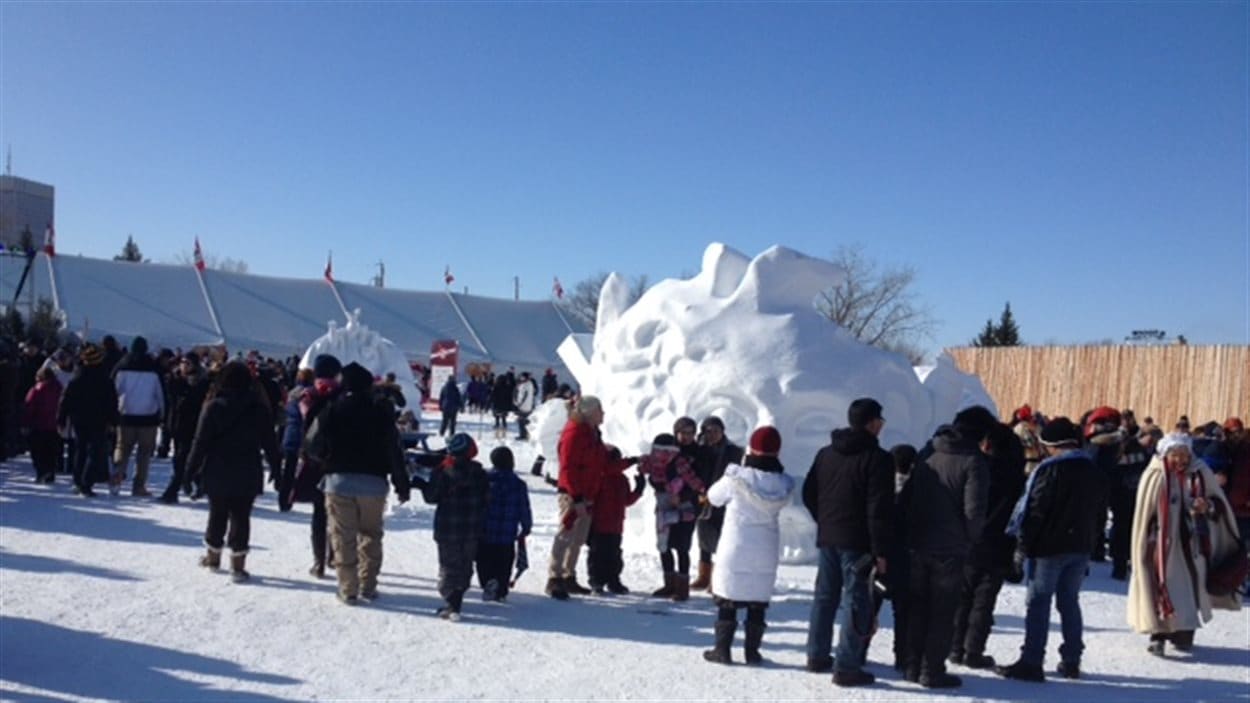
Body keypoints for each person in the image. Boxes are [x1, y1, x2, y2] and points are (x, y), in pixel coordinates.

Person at [997, 417, 1106, 682]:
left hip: (1048, 548)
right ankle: (1072, 660)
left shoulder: (1048, 470)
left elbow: (1035, 510)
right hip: (1079, 546)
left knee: (1038, 602)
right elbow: (1099, 511)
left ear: (1052, 445)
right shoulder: (1092, 469)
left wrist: (1023, 545)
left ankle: (1032, 661)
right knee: (1069, 602)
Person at [802, 398, 893, 687]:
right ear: (872, 423)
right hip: (858, 540)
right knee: (856, 600)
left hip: (829, 535)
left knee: (825, 597)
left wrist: (825, 519)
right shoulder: (877, 458)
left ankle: (816, 655)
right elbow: (879, 508)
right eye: (880, 421)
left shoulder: (826, 453)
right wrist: (881, 550)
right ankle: (847, 665)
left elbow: (808, 492)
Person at [304, 361, 410, 605]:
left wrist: (326, 459)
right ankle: (368, 584)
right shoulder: (381, 412)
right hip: (374, 483)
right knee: (371, 535)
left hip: (339, 482)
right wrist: (401, 483)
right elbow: (395, 451)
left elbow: (311, 444)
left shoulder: (331, 410)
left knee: (343, 536)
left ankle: (348, 588)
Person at [1128, 433, 1243, 655]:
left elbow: (1219, 504)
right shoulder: (1155, 475)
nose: (1180, 460)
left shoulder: (1200, 473)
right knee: (1160, 586)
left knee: (1190, 589)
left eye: (1184, 455)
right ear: (1165, 454)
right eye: (1175, 455)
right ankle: (1159, 634)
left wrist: (1206, 506)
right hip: (1162, 546)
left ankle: (1184, 633)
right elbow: (1144, 513)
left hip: (1193, 545)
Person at [902, 410, 991, 689]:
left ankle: (912, 665)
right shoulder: (974, 461)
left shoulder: (928, 451)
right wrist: (970, 539)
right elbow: (974, 511)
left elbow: (908, 494)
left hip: (918, 541)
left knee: (917, 607)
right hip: (950, 547)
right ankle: (932, 670)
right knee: (942, 612)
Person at [702, 426, 794, 665]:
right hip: (766, 547)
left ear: (751, 448)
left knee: (728, 598)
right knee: (757, 601)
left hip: (737, 544)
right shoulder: (783, 482)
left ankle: (722, 650)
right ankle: (752, 653)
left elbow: (713, 496)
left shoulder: (736, 478)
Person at [185, 361, 281, 583]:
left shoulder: (213, 406)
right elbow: (270, 443)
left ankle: (213, 558)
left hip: (217, 467)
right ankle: (238, 566)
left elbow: (200, 443)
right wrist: (276, 468)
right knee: (241, 515)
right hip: (248, 467)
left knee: (217, 512)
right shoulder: (258, 409)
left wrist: (189, 471)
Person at [950, 419, 1026, 671]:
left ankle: (955, 647)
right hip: (1000, 542)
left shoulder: (978, 468)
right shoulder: (1016, 476)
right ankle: (973, 651)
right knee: (984, 600)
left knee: (963, 596)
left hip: (971, 538)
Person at [546, 395, 610, 600]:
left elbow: (600, 462)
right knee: (566, 534)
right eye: (600, 410)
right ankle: (554, 578)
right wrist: (576, 496)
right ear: (590, 412)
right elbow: (567, 468)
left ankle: (568, 575)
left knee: (578, 538)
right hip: (574, 494)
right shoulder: (574, 433)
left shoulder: (591, 433)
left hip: (588, 493)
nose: (603, 414)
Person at [422, 433, 490, 619]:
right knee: (465, 563)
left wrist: (422, 485)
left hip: (448, 528)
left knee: (449, 564)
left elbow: (431, 497)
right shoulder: (480, 473)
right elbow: (486, 500)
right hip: (472, 528)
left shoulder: (443, 471)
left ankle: (452, 602)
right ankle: (458, 594)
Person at [644, 421, 708, 602]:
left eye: (690, 432)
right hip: (665, 504)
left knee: (682, 546)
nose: (686, 436)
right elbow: (654, 475)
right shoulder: (666, 449)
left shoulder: (698, 454)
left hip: (687, 506)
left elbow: (700, 481)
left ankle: (682, 587)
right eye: (682, 432)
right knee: (665, 545)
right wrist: (659, 486)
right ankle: (669, 583)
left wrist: (684, 496)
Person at [56, 344, 119, 497]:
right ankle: (86, 482)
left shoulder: (77, 378)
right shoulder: (105, 380)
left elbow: (65, 400)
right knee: (95, 452)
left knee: (81, 450)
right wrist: (113, 421)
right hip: (99, 420)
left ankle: (78, 481)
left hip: (79, 420)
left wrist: (61, 419)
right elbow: (112, 402)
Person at [692, 416, 745, 592]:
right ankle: (703, 576)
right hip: (702, 497)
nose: (713, 434)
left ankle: (717, 578)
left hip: (724, 499)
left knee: (721, 539)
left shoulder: (734, 451)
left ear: (723, 432)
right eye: (709, 431)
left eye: (717, 430)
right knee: (703, 537)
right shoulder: (698, 450)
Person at [111, 336, 165, 496]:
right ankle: (139, 486)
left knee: (122, 448)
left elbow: (114, 391)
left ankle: (117, 478)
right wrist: (162, 414)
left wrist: (113, 412)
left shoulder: (121, 366)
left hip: (126, 415)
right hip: (148, 418)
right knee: (144, 453)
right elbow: (160, 394)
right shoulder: (154, 368)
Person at [477, 446, 532, 602]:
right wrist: (526, 526)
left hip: (486, 531)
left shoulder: (485, 481)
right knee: (504, 563)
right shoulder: (519, 484)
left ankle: (487, 582)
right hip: (507, 534)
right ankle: (501, 590)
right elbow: (524, 507)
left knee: (484, 560)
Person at [588, 446, 644, 594]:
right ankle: (596, 581)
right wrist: (631, 461)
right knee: (597, 554)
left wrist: (638, 490)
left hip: (616, 525)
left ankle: (613, 580)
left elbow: (626, 500)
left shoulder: (621, 479)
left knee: (614, 555)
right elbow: (609, 469)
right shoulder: (600, 476)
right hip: (599, 524)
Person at [159, 352, 212, 504]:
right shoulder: (175, 379)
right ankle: (199, 482)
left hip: (192, 426)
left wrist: (181, 386)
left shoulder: (201, 381)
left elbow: (192, 402)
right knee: (178, 459)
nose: (184, 365)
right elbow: (170, 399)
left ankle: (172, 491)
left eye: (187, 363)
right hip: (175, 425)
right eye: (182, 362)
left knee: (182, 459)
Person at [22, 367, 63, 483]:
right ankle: (50, 473)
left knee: (38, 452)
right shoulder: (59, 388)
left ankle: (41, 473)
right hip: (54, 425)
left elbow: (29, 406)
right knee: (51, 452)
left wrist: (25, 422)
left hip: (38, 425)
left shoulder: (37, 389)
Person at [513, 371, 537, 440]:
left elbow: (522, 397)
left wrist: (517, 404)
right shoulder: (530, 384)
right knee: (526, 421)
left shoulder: (524, 385)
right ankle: (527, 435)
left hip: (523, 406)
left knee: (521, 422)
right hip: (529, 406)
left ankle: (522, 435)